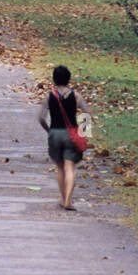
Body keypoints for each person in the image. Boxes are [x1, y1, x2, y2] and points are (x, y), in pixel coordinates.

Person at [38, 64, 91, 211]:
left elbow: (41, 118)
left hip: (55, 132)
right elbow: (87, 114)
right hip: (71, 134)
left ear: (54, 80)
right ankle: (68, 200)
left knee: (60, 167)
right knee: (70, 167)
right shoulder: (76, 96)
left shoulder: (49, 96)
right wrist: (83, 132)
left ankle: (62, 198)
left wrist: (49, 130)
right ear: (69, 79)